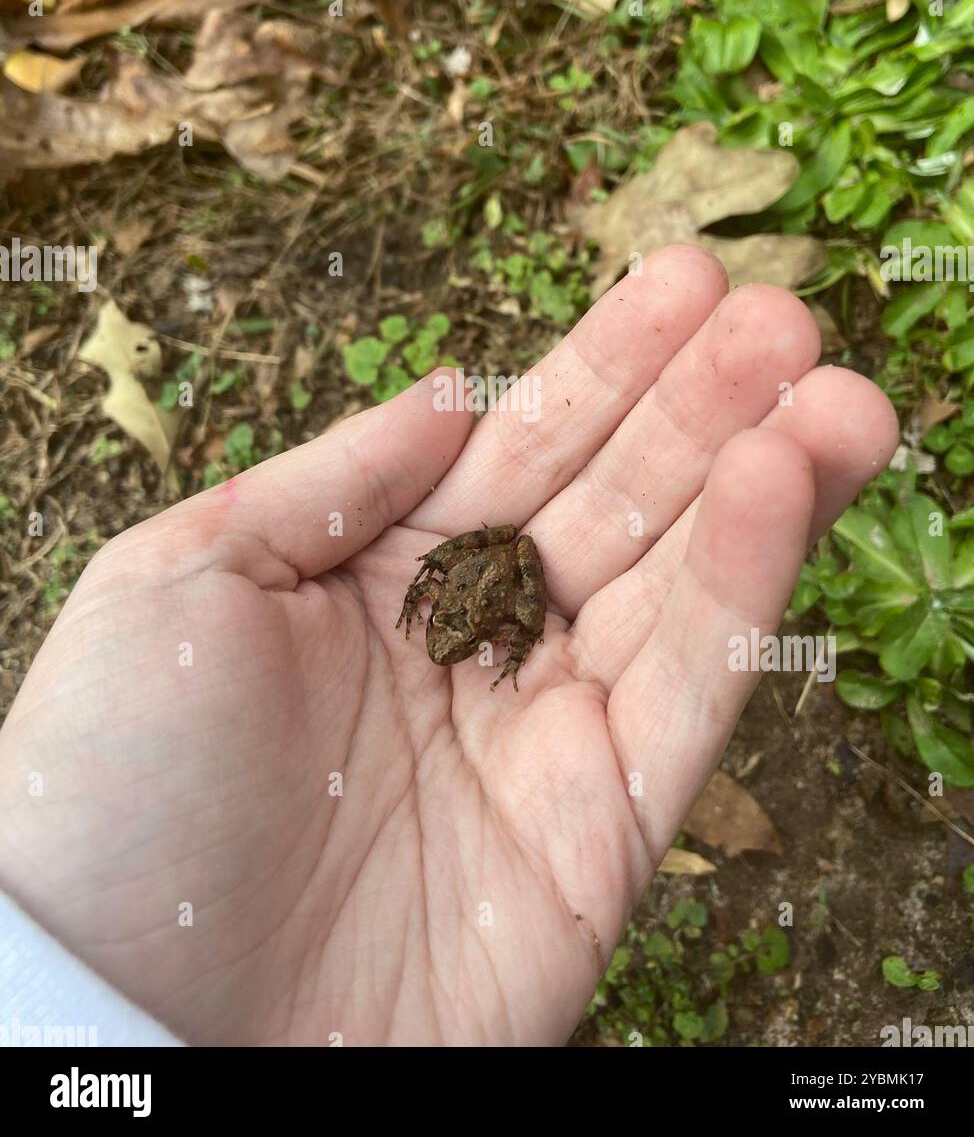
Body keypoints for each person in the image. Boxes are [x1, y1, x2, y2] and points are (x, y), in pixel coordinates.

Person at [0, 247, 899, 1046]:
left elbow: (517, 601)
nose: (440, 640)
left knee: (527, 567)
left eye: (448, 635)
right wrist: (441, 594)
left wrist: (508, 642)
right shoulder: (440, 613)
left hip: (511, 572)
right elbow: (446, 588)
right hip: (480, 567)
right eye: (442, 629)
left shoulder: (494, 617)